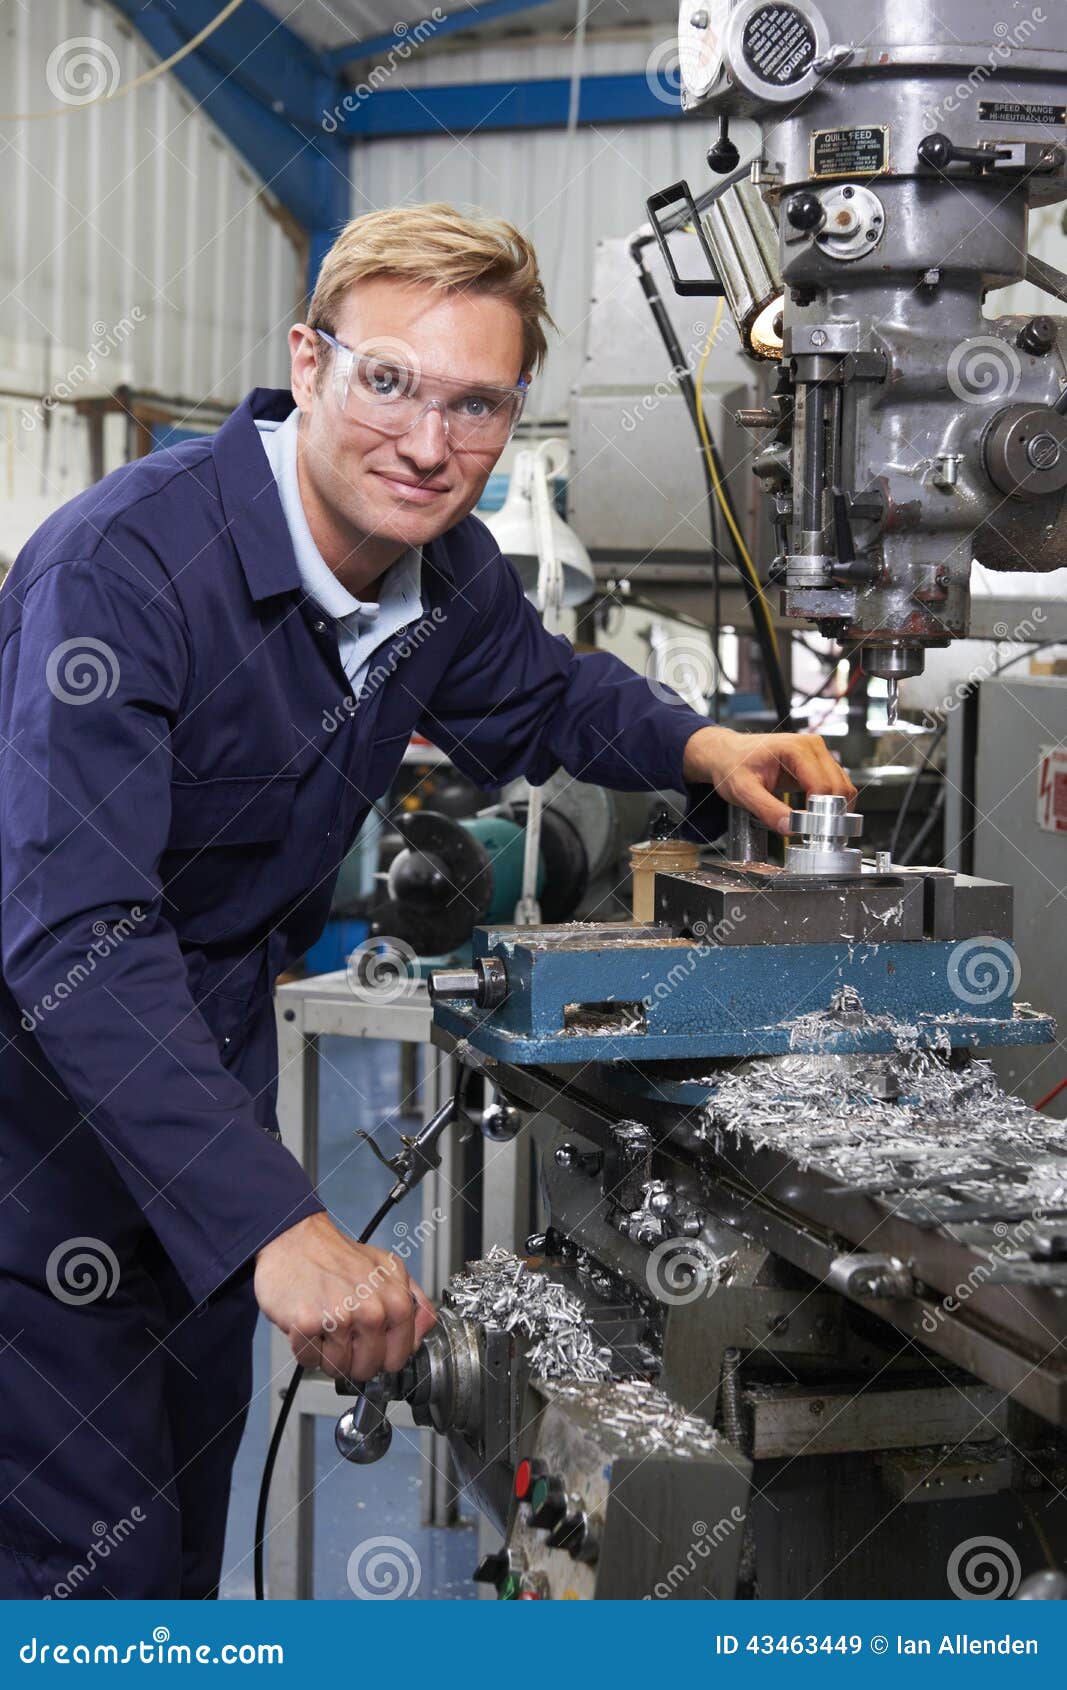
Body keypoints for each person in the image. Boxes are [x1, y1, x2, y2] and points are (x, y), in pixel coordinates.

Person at [0, 204, 855, 1597]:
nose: (426, 440)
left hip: (194, 1115)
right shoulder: (129, 570)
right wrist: (278, 1220)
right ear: (309, 358)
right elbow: (73, 935)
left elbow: (547, 691)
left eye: (477, 404)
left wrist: (702, 746)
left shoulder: (439, 571)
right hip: (32, 1141)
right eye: (389, 380)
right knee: (75, 1574)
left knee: (167, 1545)